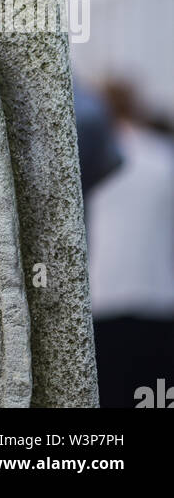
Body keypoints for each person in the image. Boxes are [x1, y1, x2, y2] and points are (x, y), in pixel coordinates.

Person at [87, 80, 174, 409]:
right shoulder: (164, 157)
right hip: (159, 298)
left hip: (102, 298)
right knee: (154, 399)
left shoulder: (90, 157)